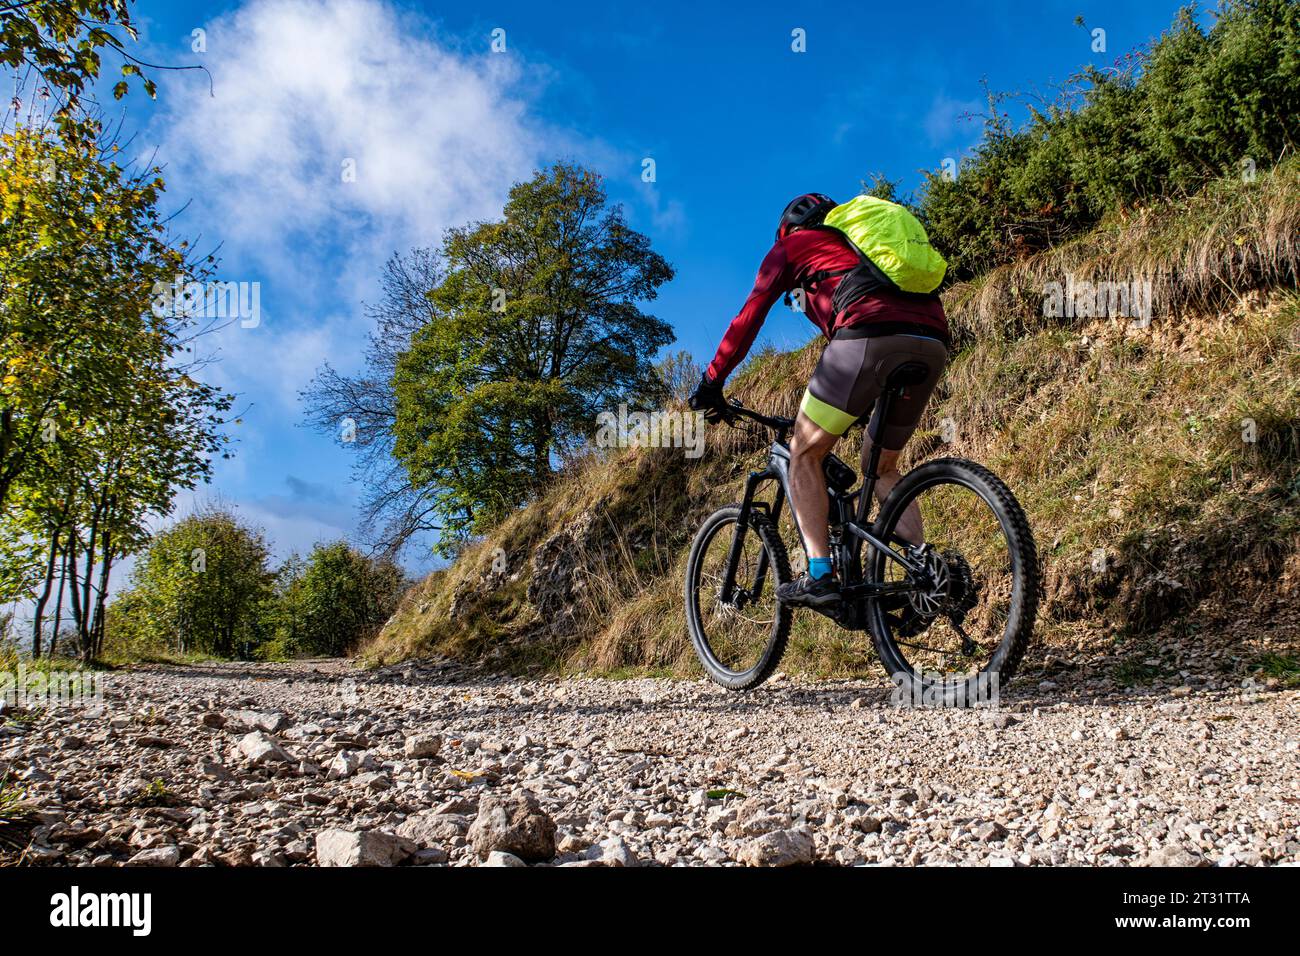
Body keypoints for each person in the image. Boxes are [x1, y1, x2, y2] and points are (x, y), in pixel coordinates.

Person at [689, 193, 950, 607]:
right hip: (933, 337)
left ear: (788, 228)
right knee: (880, 465)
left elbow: (749, 316)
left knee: (803, 454)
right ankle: (930, 570)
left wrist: (712, 381)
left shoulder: (793, 246)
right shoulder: (862, 247)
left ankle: (820, 575)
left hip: (867, 336)